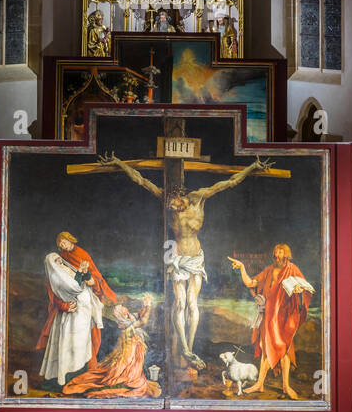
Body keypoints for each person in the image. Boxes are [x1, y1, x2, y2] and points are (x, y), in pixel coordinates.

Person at [99, 153, 271, 369]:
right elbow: (140, 180)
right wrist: (118, 162)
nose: (171, 209)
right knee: (179, 304)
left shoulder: (199, 198)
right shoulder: (165, 198)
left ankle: (189, 347)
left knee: (192, 304)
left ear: (180, 197)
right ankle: (186, 349)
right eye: (169, 206)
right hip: (177, 258)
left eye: (174, 205)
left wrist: (253, 166)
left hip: (196, 258)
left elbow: (229, 182)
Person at [228, 244, 314, 399]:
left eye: (280, 254)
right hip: (269, 316)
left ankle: (285, 386)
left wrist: (299, 292)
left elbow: (305, 289)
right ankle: (260, 383)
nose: (277, 256)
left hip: (284, 317)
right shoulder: (268, 271)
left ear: (287, 255)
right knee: (266, 347)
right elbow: (250, 283)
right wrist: (242, 268)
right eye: (275, 253)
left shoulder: (292, 269)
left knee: (284, 349)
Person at [37, 231, 117, 369]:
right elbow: (55, 286)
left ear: (71, 240)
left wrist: (92, 281)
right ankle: (69, 370)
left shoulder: (82, 254)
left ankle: (86, 367)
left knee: (89, 336)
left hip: (85, 304)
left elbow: (93, 276)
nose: (63, 245)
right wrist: (64, 304)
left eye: (64, 242)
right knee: (68, 339)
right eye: (60, 244)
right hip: (70, 307)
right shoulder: (58, 260)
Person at [62, 297, 161, 398]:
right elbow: (143, 321)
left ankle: (132, 376)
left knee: (133, 371)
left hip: (135, 350)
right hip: (129, 352)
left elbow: (140, 315)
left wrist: (144, 305)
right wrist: (148, 306)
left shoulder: (129, 318)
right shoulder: (125, 324)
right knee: (127, 373)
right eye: (121, 308)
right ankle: (129, 378)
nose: (123, 306)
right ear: (122, 314)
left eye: (122, 306)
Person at [36, 243, 105, 387]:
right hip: (71, 316)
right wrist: (65, 305)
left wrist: (83, 272)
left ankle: (81, 374)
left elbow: (84, 283)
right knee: (70, 345)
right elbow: (72, 289)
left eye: (60, 260)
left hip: (82, 314)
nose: (60, 262)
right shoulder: (54, 276)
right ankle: (65, 377)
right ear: (51, 264)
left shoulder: (66, 269)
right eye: (56, 261)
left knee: (82, 344)